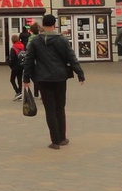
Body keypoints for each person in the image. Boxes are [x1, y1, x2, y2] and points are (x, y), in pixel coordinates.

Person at [21, 14, 85, 149]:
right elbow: (71, 57)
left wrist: (26, 78)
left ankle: (55, 141)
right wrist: (80, 73)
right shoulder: (62, 39)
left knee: (49, 109)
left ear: (43, 25)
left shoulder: (35, 41)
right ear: (54, 25)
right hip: (60, 77)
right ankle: (62, 138)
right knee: (60, 107)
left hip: (43, 79)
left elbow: (29, 60)